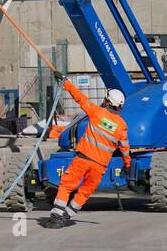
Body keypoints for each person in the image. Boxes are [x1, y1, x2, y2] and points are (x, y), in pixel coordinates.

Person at [41, 78, 132, 229]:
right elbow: (125, 148)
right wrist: (127, 164)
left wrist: (65, 82)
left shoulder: (97, 112)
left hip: (83, 159)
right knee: (84, 193)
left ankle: (57, 217)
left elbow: (79, 97)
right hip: (100, 167)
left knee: (66, 185)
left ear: (108, 102)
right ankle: (67, 216)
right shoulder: (122, 126)